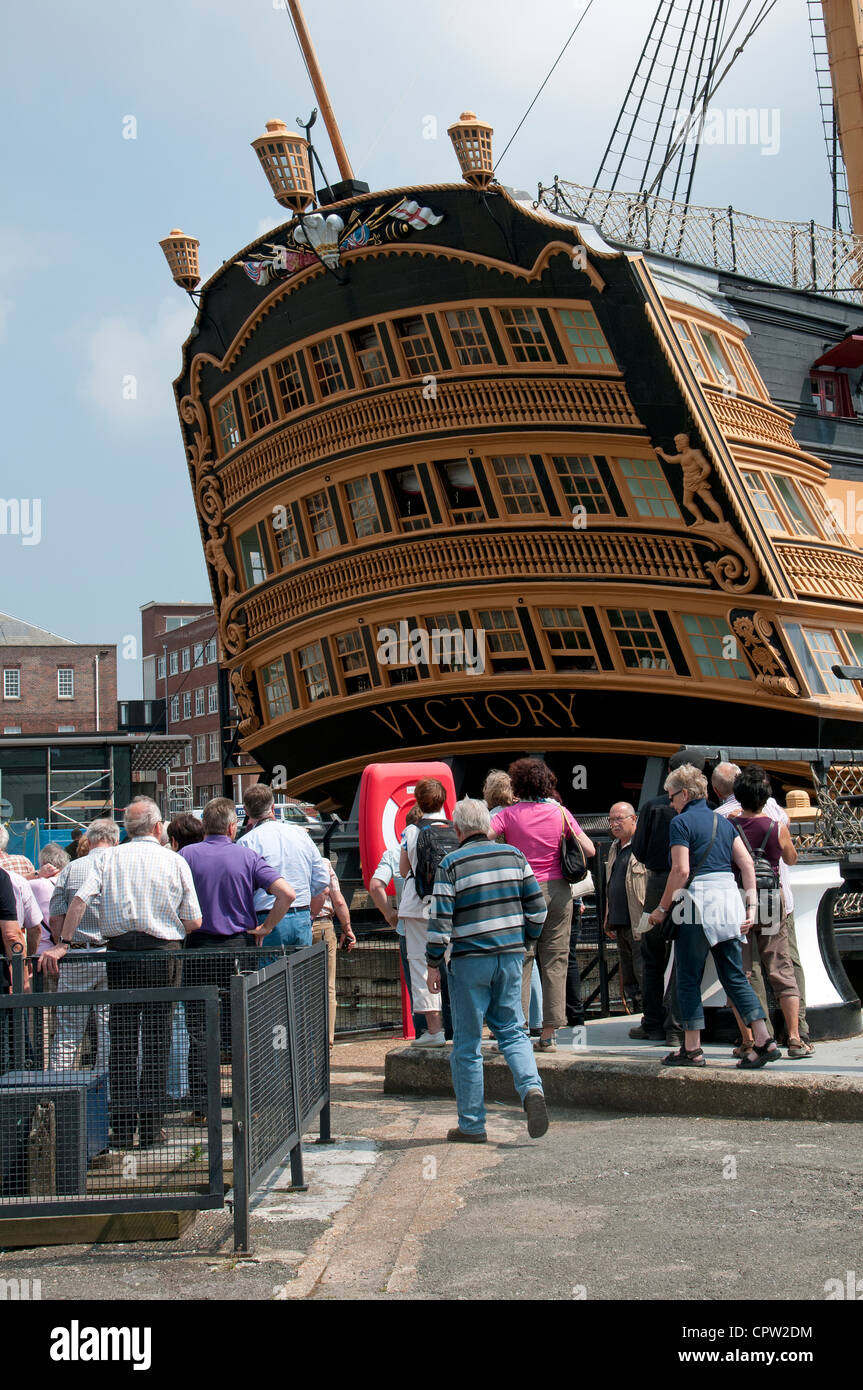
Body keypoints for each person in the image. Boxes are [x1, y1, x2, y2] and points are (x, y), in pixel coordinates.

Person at [41, 797, 202, 1149]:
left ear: (127, 830)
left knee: (123, 1042)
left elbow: (80, 901)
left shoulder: (109, 859)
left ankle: (122, 1125)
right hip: (163, 953)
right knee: (158, 1041)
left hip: (120, 954)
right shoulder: (174, 861)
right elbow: (194, 920)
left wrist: (63, 942)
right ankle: (152, 1129)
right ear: (159, 828)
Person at [427, 797, 549, 1142]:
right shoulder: (515, 856)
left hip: (468, 961)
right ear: (488, 825)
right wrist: (526, 940)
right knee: (513, 1030)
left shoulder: (450, 865)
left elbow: (439, 925)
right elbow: (538, 909)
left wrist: (433, 963)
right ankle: (531, 1090)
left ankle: (472, 1124)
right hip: (510, 956)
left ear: (458, 829)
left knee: (467, 1043)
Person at [646, 764, 779, 1068]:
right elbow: (746, 865)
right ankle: (763, 1038)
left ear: (684, 793)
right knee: (733, 975)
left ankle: (692, 1049)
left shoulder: (680, 823)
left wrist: (662, 908)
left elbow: (681, 870)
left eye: (671, 795)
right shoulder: (724, 822)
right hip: (728, 900)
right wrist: (751, 907)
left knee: (688, 976)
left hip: (696, 903)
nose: (669, 802)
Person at [179, 797, 295, 1118]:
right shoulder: (247, 855)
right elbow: (287, 893)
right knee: (241, 1026)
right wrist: (265, 927)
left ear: (204, 825)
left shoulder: (186, 855)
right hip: (238, 950)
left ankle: (202, 1106)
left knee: (200, 1032)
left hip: (198, 948)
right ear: (233, 827)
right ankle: (248, 1102)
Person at [491, 759, 595, 1051]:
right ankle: (549, 1034)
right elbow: (588, 848)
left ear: (518, 785)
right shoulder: (560, 812)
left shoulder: (508, 815)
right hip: (560, 891)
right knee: (556, 960)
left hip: (522, 891)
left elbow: (481, 838)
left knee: (520, 960)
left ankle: (517, 1030)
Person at [712, 761, 811, 1049]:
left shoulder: (727, 825)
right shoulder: (776, 825)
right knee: (780, 967)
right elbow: (790, 859)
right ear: (765, 797)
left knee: (742, 970)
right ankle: (794, 1036)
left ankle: (751, 1038)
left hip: (739, 899)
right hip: (771, 898)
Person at [628, 748, 703, 1044]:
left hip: (659, 880)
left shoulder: (652, 807)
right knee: (684, 954)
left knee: (652, 954)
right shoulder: (705, 810)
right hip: (694, 883)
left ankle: (653, 1022)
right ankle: (678, 1026)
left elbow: (639, 850)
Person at [38, 820, 119, 1073]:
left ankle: (56, 1095)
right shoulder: (122, 866)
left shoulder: (72, 868)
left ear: (89, 840)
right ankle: (107, 1095)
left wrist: (61, 943)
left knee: (68, 1030)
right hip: (112, 953)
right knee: (109, 1029)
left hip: (76, 954)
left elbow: (55, 915)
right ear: (115, 840)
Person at [240, 783, 330, 949]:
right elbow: (322, 880)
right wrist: (308, 912)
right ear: (273, 807)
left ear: (246, 811)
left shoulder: (246, 842)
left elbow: (242, 887)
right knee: (303, 973)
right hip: (301, 915)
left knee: (269, 973)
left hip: (266, 917)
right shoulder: (300, 834)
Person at [399, 778, 453, 1047]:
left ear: (418, 802)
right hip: (451, 904)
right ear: (444, 800)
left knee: (421, 964)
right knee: (456, 963)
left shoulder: (411, 831)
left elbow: (402, 870)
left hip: (418, 904)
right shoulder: (456, 829)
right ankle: (466, 1025)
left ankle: (435, 1030)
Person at [369, 804, 426, 1036]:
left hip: (408, 927)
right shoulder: (444, 847)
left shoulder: (393, 854)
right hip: (440, 925)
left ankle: (426, 1034)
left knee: (418, 985)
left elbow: (375, 886)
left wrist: (389, 913)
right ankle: (452, 1031)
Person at [603, 802, 647, 1014]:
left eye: (619, 819)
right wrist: (607, 916)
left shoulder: (643, 846)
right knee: (629, 976)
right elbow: (610, 883)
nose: (614, 824)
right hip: (619, 921)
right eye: (611, 820)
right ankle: (637, 1013)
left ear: (633, 819)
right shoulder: (614, 847)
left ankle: (650, 1017)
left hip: (639, 921)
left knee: (643, 972)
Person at [312, 861, 356, 1049]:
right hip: (323, 925)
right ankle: (327, 1039)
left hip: (297, 922)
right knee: (328, 985)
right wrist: (347, 928)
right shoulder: (324, 864)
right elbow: (338, 900)